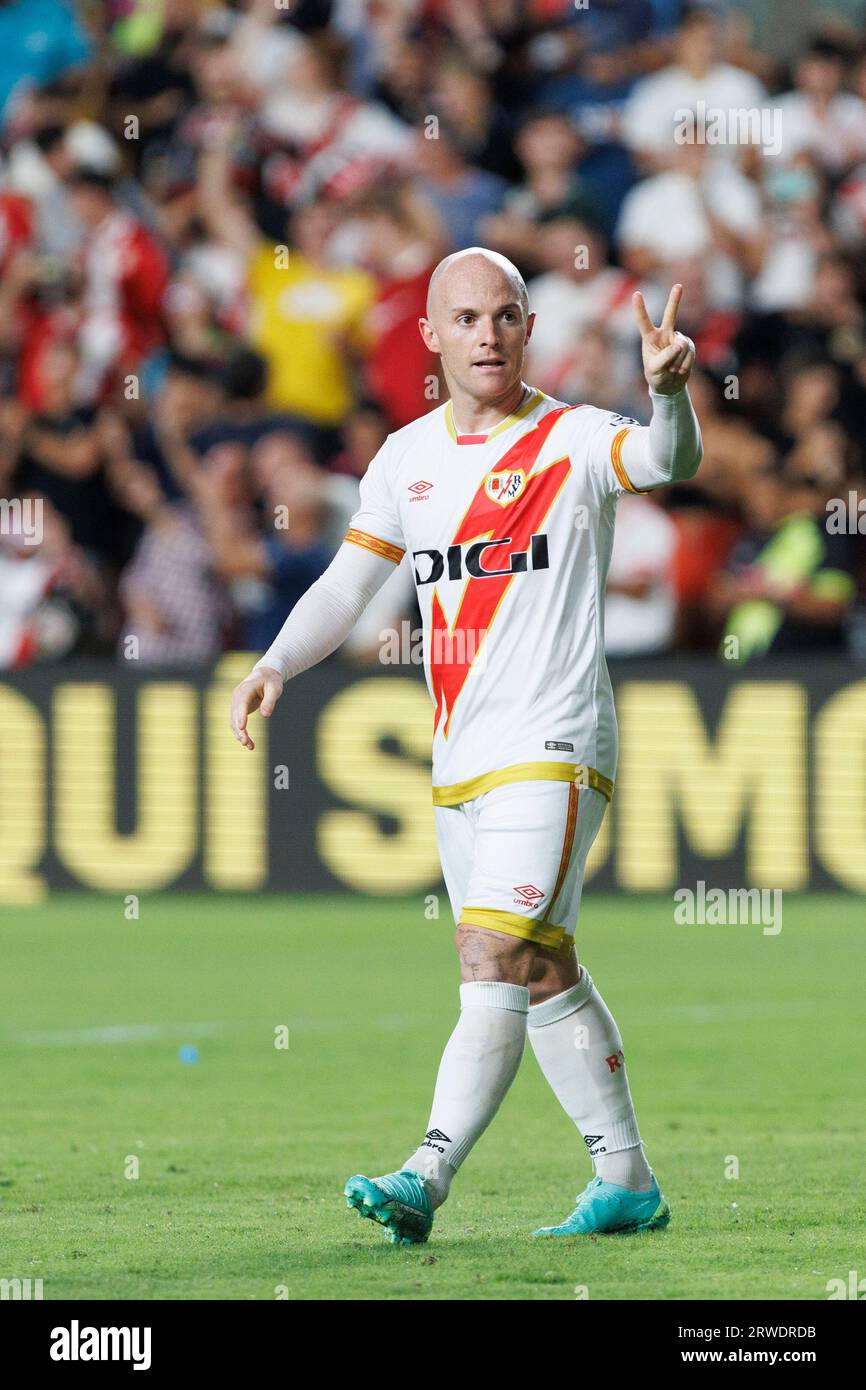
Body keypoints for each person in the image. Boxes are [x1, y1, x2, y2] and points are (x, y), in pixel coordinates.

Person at [229, 247, 703, 1244]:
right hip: (458, 761)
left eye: (504, 315)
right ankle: (625, 1180)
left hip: (554, 741)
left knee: (488, 952)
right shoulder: (406, 458)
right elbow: (348, 586)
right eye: (466, 318)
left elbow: (669, 464)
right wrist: (275, 660)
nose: (486, 335)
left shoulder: (571, 439)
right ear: (429, 335)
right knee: (540, 968)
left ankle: (425, 1171)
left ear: (527, 327)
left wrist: (669, 397)